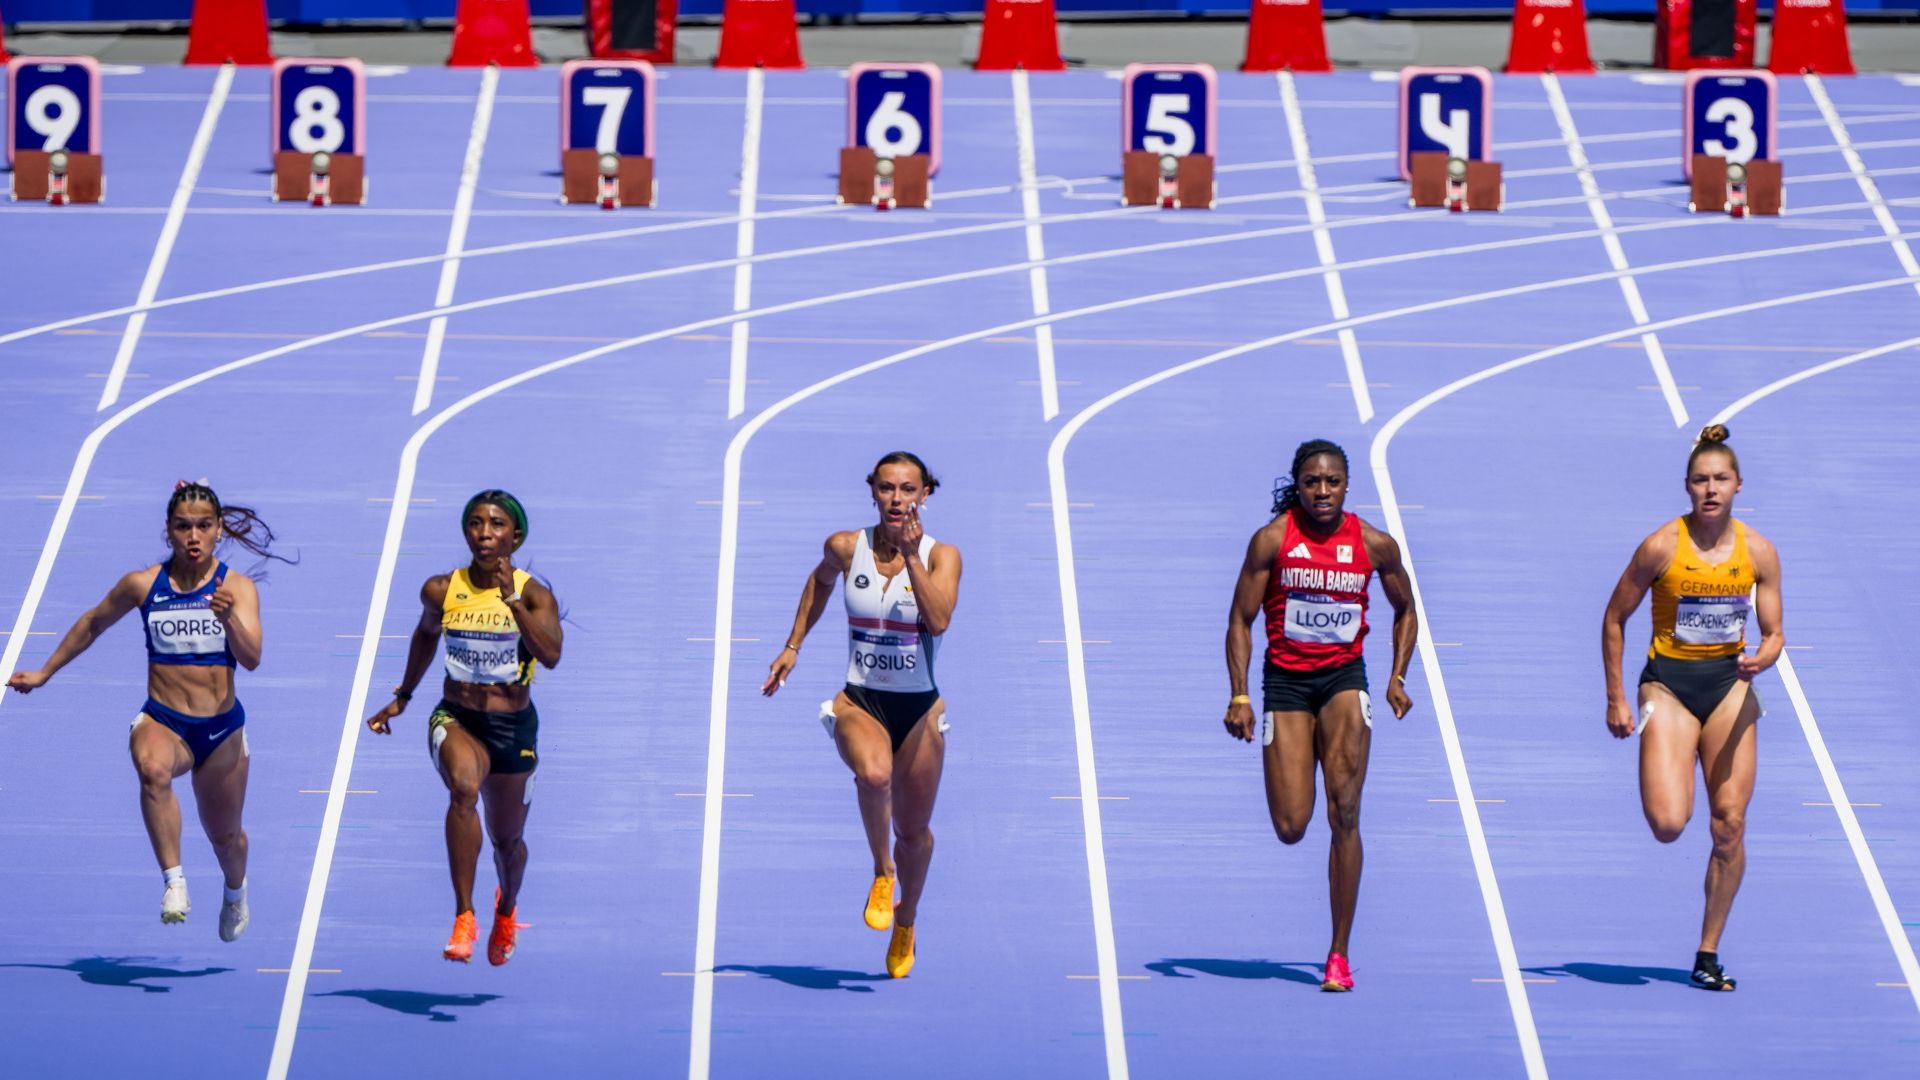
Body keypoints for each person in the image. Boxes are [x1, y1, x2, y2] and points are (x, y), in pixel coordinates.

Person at [8, 481, 285, 940]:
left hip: (220, 732)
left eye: (203, 526)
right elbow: (93, 622)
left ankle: (235, 892)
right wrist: (44, 673)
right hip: (164, 719)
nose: (193, 536)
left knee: (226, 838)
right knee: (152, 769)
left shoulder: (237, 588)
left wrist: (229, 618)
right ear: (168, 532)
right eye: (182, 527)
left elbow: (253, 658)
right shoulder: (144, 585)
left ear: (218, 532)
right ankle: (174, 882)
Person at [1224, 439, 1416, 992]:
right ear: (1299, 485)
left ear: (1347, 485)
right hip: (1286, 683)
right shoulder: (1273, 540)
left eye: (1332, 482)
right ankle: (1334, 944)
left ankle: (1338, 953)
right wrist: (1240, 695)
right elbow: (1240, 619)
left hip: (1342, 681)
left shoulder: (1374, 544)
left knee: (1347, 812)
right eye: (1312, 482)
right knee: (1290, 826)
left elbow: (1406, 610)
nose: (1323, 491)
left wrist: (1397, 675)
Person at [762, 451, 962, 979]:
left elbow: (938, 620)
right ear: (873, 492)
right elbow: (820, 580)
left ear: (925, 495)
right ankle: (882, 871)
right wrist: (793, 645)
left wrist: (913, 557)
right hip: (861, 699)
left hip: (918, 709)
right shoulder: (847, 547)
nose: (897, 499)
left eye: (908, 490)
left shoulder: (943, 556)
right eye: (887, 489)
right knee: (874, 775)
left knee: (916, 832)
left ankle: (907, 920)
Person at [1601, 424, 1782, 991]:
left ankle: (1708, 952)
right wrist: (1615, 698)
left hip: (1729, 686)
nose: (1711, 489)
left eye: (1720, 479)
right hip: (1670, 687)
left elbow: (1776, 633)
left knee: (1729, 826)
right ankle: (1664, 755)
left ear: (1737, 485)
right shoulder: (1661, 546)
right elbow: (1613, 619)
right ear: (1687, 487)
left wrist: (1764, 658)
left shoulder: (1758, 551)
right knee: (1668, 824)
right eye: (1701, 480)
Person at [365, 490, 563, 966]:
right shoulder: (441, 589)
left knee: (507, 844)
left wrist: (513, 604)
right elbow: (425, 635)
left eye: (496, 525)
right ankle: (464, 915)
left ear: (514, 535)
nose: (485, 534)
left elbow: (552, 655)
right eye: (476, 524)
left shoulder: (535, 594)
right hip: (458, 718)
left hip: (513, 728)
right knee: (462, 789)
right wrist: (403, 696)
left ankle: (506, 908)